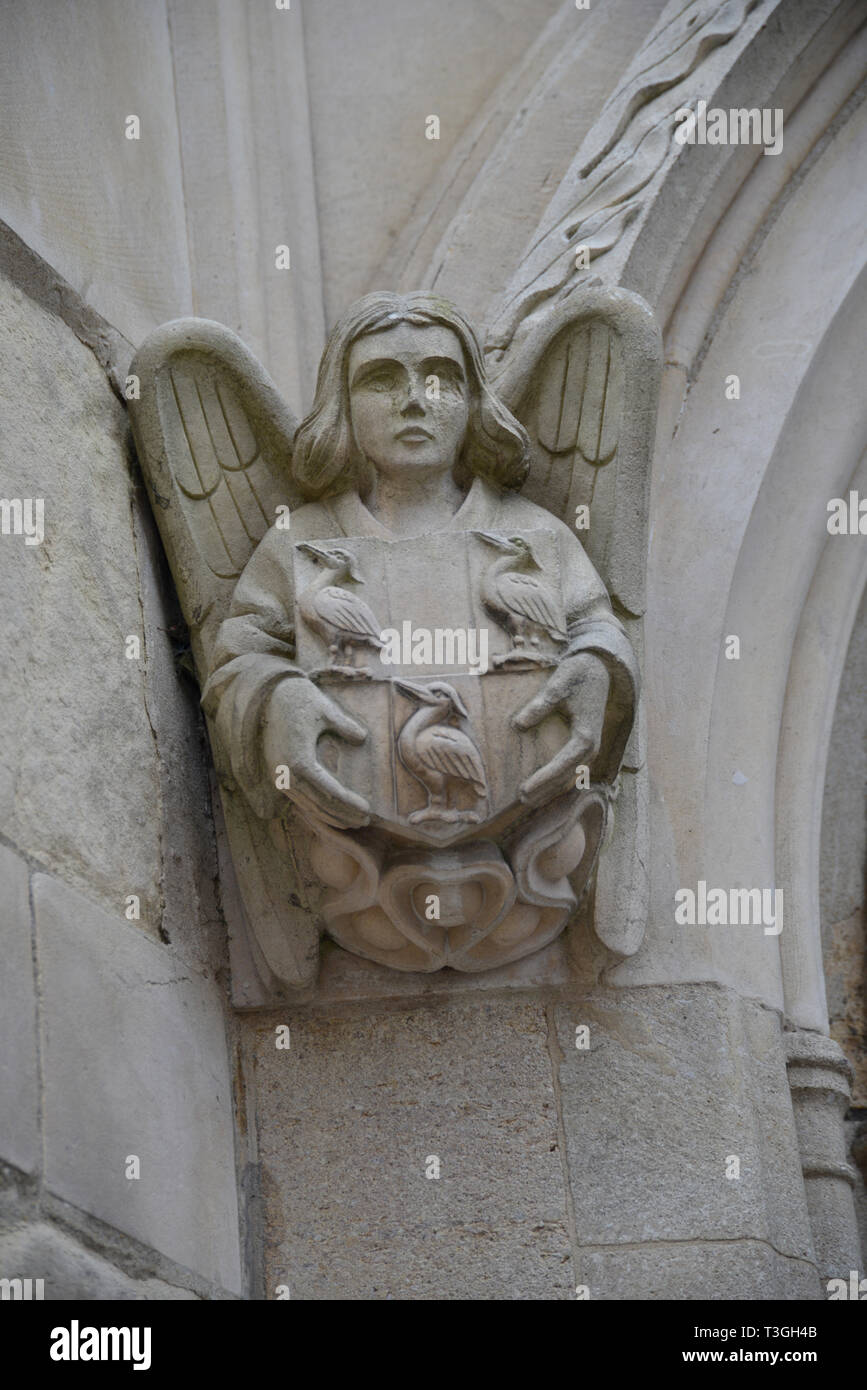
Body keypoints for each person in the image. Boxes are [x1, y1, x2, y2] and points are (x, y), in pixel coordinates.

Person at [202, 291, 636, 831]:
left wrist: (595, 669)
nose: (414, 400)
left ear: (474, 401)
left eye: (441, 378)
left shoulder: (531, 532)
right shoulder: (301, 538)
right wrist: (277, 697)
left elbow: (598, 626)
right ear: (343, 404)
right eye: (381, 379)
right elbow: (240, 654)